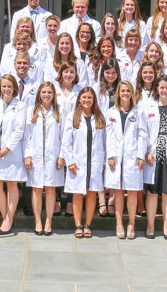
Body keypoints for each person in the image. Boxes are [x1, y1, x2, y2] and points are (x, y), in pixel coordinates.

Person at [138, 76, 167, 239]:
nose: (164, 90)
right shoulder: (147, 106)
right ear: (156, 89)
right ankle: (150, 226)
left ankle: (166, 227)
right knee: (152, 192)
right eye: (161, 87)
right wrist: (146, 152)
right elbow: (143, 131)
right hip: (153, 155)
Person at [61, 87, 107, 239]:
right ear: (79, 99)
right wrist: (70, 162)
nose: (87, 100)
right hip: (78, 162)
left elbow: (104, 142)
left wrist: (104, 160)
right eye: (84, 97)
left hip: (94, 162)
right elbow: (66, 142)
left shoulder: (99, 117)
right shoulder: (72, 117)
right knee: (78, 193)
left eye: (90, 98)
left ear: (94, 100)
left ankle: (88, 224)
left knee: (92, 192)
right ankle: (78, 225)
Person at [0, 75, 27, 235]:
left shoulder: (20, 106)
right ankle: (7, 217)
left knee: (11, 184)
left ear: (14, 88)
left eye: (9, 86)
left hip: (11, 152)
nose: (6, 89)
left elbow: (19, 130)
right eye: (4, 86)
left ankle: (8, 221)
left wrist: (7, 149)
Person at [103, 81, 142, 239]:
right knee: (118, 190)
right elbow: (109, 135)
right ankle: (119, 223)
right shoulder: (111, 112)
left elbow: (142, 134)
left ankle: (131, 223)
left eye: (128, 91)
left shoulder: (138, 112)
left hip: (133, 157)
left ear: (132, 93)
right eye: (122, 91)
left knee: (132, 191)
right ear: (118, 93)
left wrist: (140, 155)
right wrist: (111, 155)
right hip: (116, 157)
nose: (125, 93)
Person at [24, 82, 65, 236]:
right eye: (44, 92)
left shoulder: (60, 111)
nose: (46, 95)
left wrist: (62, 155)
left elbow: (64, 136)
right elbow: (26, 136)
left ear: (54, 94)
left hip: (53, 156)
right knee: (36, 188)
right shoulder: (31, 111)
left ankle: (48, 220)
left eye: (49, 92)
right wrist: (27, 155)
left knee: (50, 188)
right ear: (39, 94)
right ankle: (38, 221)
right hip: (35, 156)